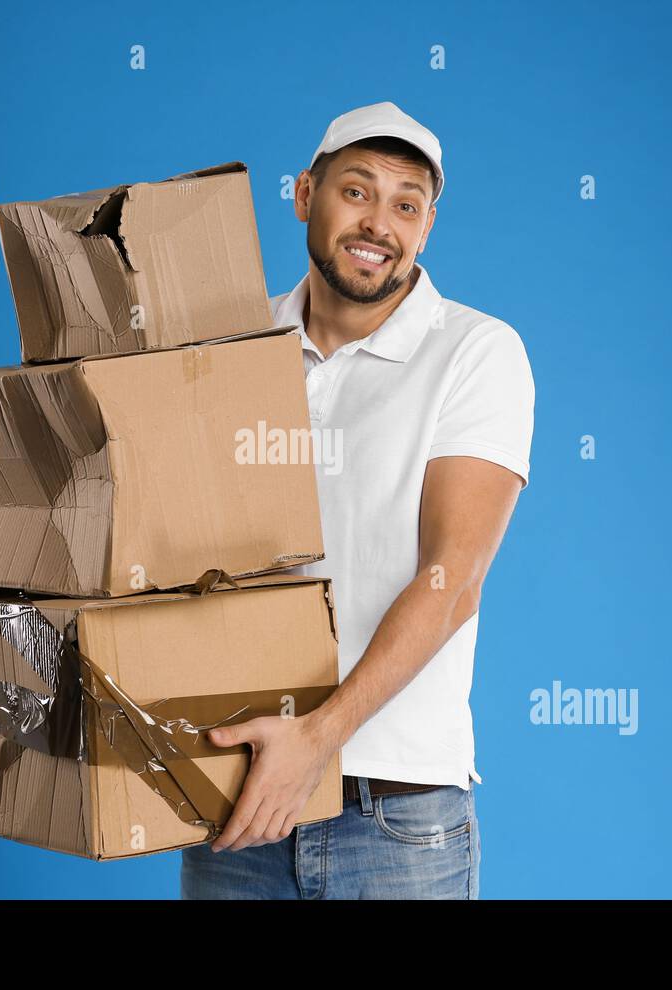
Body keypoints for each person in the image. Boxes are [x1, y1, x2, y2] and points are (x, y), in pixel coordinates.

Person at [180, 102, 536, 899]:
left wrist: (318, 739)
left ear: (427, 227)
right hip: (238, 795)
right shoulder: (230, 347)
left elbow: (454, 580)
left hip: (393, 817)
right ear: (305, 194)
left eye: (407, 205)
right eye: (357, 191)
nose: (379, 223)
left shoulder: (475, 352)